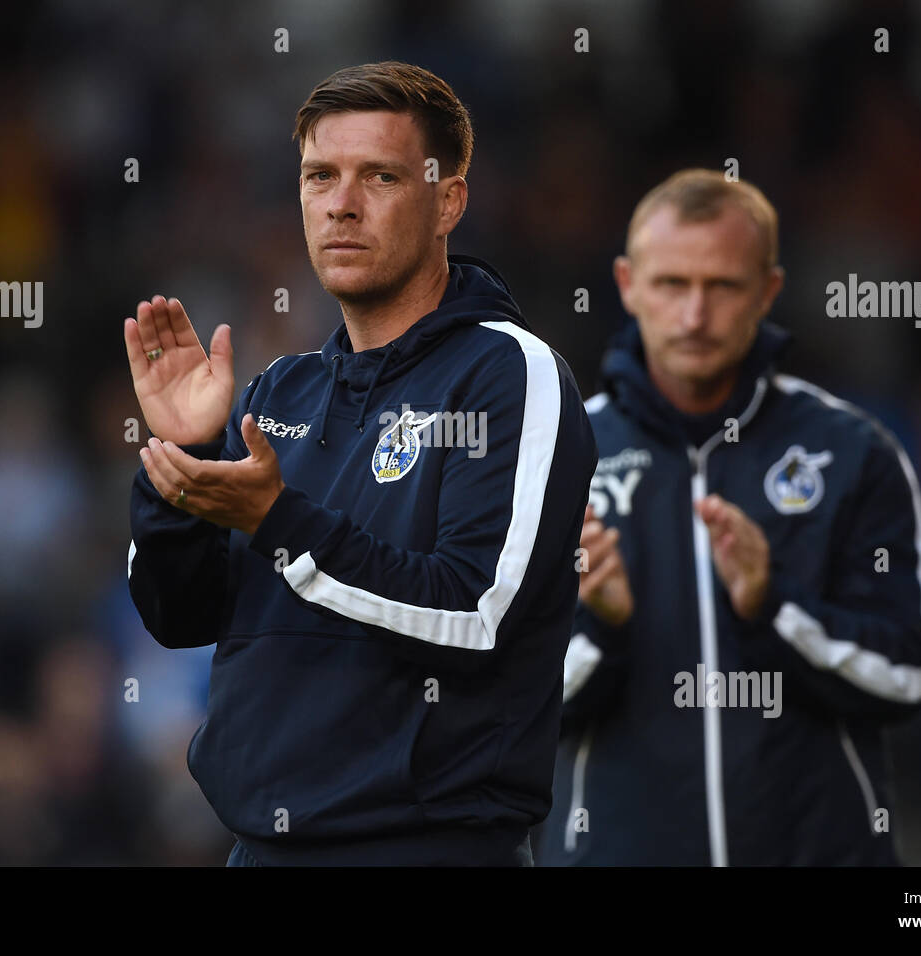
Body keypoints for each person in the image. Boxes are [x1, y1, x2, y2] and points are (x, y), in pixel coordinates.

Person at [124, 61, 595, 866]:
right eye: (319, 177)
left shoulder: (510, 374)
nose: (341, 203)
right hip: (257, 849)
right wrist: (183, 458)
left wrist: (279, 521)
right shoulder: (283, 389)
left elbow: (476, 615)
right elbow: (180, 616)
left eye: (379, 175)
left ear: (449, 199)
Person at [537, 169, 921, 865]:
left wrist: (773, 605)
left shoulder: (851, 451)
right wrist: (601, 627)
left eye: (722, 286)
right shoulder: (558, 455)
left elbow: (909, 675)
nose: (695, 315)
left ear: (768, 291)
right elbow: (498, 715)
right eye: (671, 285)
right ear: (628, 285)